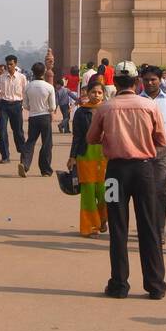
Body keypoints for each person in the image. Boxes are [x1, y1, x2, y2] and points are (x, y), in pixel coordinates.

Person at [86, 62, 166, 298]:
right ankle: (155, 285)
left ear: (116, 83)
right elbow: (161, 139)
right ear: (136, 82)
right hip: (144, 170)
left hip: (115, 171)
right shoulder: (149, 106)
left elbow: (92, 138)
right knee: (149, 227)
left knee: (118, 227)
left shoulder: (105, 108)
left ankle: (119, 284)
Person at [141, 65, 166, 244]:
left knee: (159, 192)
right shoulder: (136, 101)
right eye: (146, 80)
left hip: (162, 151)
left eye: (153, 79)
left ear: (160, 80)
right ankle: (146, 227)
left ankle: (159, 229)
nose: (150, 83)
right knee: (142, 192)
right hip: (140, 151)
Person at [68, 78, 107, 237]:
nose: (96, 95)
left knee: (107, 191)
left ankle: (103, 218)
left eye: (99, 92)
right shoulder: (81, 112)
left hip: (107, 156)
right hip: (86, 155)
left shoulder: (110, 110)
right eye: (93, 92)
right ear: (87, 93)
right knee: (89, 193)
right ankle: (90, 226)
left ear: (104, 94)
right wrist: (72, 157)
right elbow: (77, 136)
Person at [18, 61, 56, 177]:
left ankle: (25, 163)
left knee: (30, 141)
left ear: (33, 72)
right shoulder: (49, 87)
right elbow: (53, 107)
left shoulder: (28, 87)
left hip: (33, 117)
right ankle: (45, 170)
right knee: (47, 143)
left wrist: (33, 108)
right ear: (44, 72)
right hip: (45, 116)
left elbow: (25, 105)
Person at [0, 54, 26, 164]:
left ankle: (22, 151)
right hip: (3, 106)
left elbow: (25, 92)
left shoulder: (22, 77)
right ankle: (5, 156)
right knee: (2, 131)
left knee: (18, 131)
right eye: (7, 64)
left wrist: (25, 105)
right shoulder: (0, 78)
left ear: (15, 64)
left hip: (16, 105)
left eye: (11, 64)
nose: (9, 66)